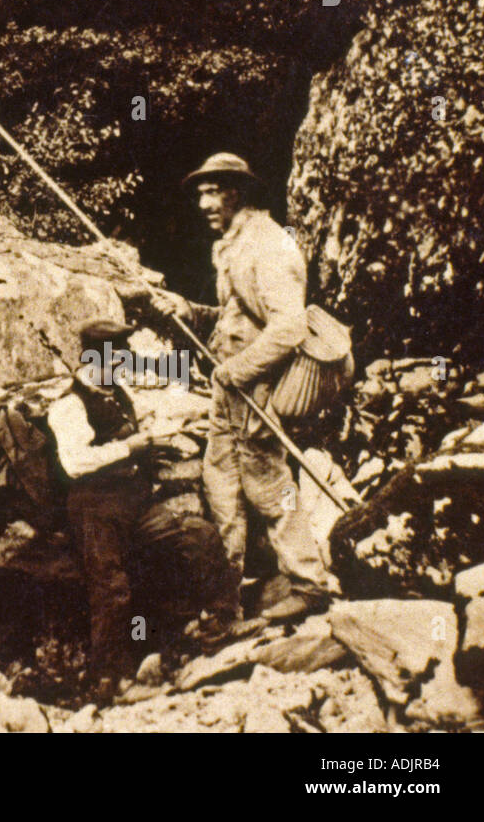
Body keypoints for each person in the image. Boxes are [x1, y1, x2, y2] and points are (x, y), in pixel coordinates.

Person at [152, 153, 332, 619]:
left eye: (214, 192)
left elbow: (289, 327)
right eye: (201, 194)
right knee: (221, 488)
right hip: (228, 394)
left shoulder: (268, 247)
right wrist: (188, 310)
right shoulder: (234, 243)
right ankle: (223, 599)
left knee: (269, 486)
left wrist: (238, 370)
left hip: (257, 393)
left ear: (240, 192)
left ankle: (309, 584)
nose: (204, 203)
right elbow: (235, 317)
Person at [48, 317, 241, 702]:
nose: (123, 365)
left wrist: (152, 443)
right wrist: (131, 448)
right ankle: (109, 679)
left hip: (132, 503)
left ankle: (219, 624)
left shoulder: (117, 393)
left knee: (196, 534)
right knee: (112, 589)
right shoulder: (69, 405)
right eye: (116, 359)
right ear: (93, 359)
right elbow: (74, 463)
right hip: (94, 510)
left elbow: (132, 436)